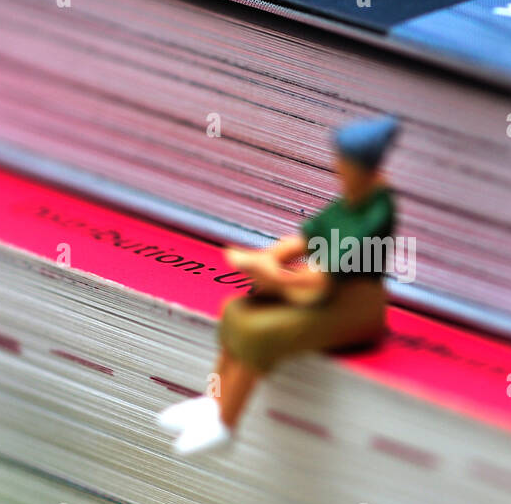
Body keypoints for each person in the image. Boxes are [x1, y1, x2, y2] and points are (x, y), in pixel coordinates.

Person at [158, 116, 400, 454]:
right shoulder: (348, 203)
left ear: (361, 167)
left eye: (342, 163)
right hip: (322, 292)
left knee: (260, 330)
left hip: (352, 305)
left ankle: (225, 425)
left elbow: (323, 276)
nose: (337, 168)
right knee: (236, 310)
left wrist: (275, 277)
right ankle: (214, 400)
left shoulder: (375, 215)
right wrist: (267, 257)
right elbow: (304, 239)